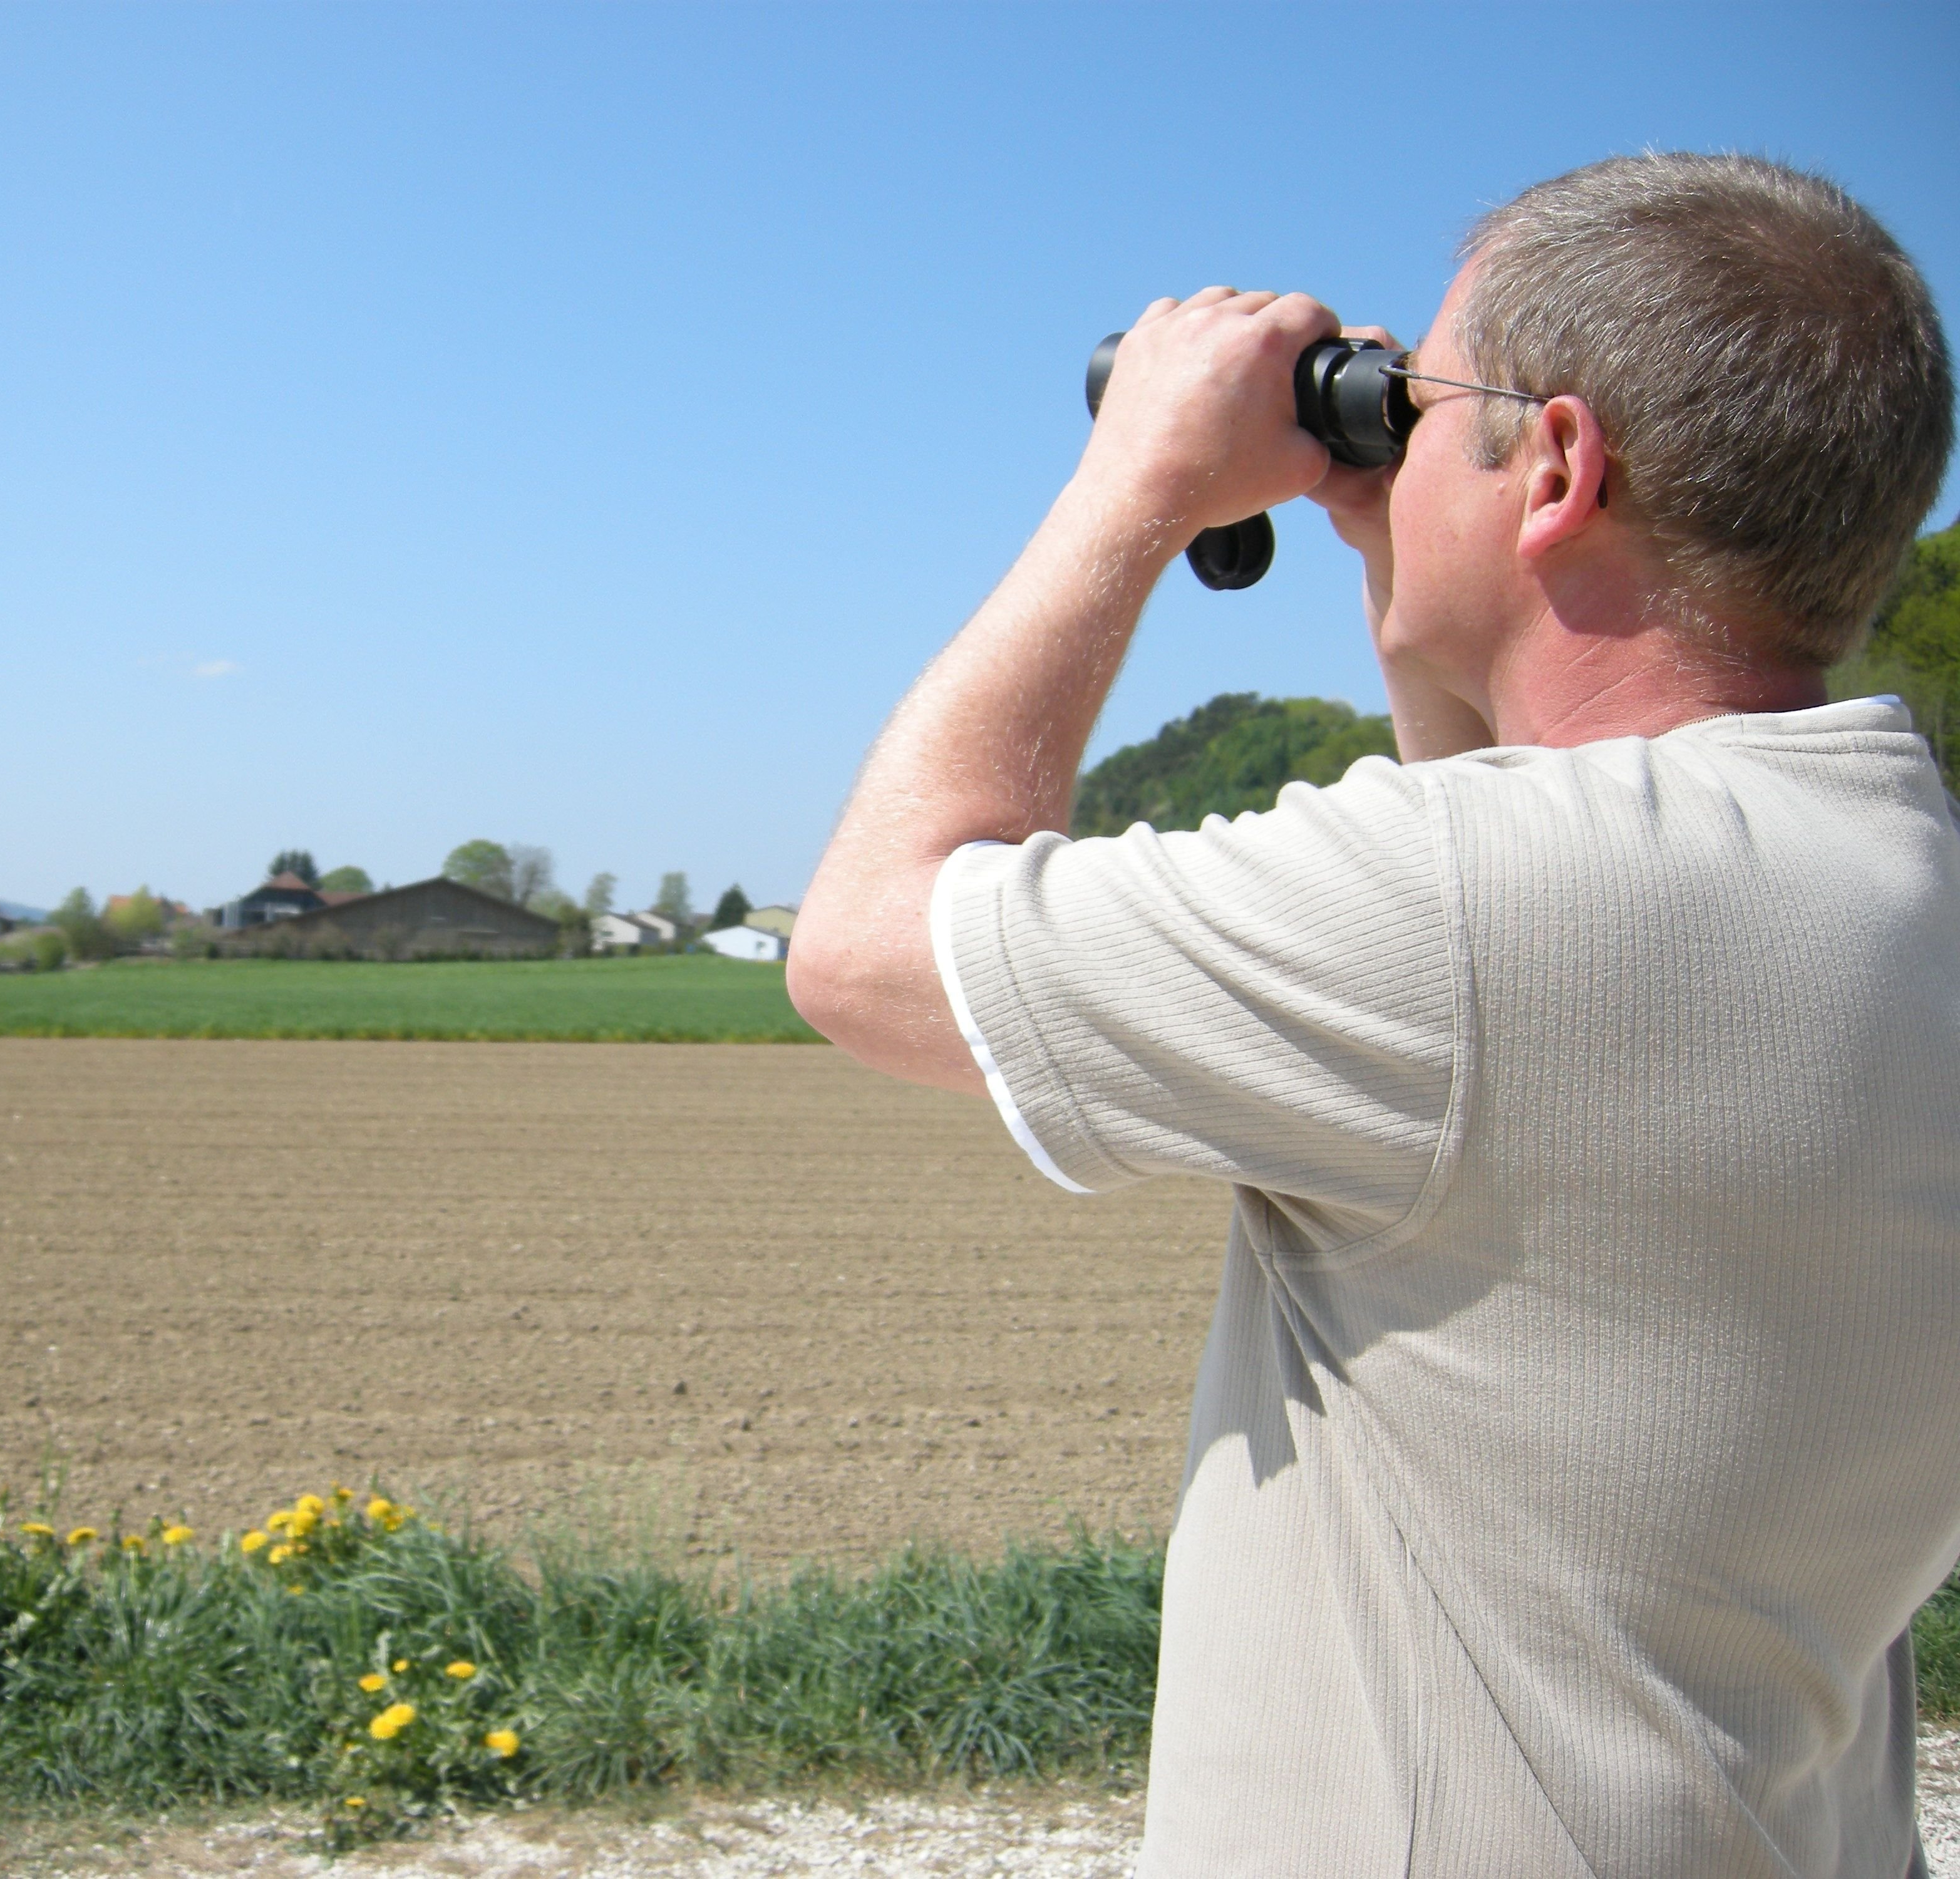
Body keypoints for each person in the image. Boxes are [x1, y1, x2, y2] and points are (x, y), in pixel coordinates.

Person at [788, 153, 1957, 1875]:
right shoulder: (1897, 873)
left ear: (1557, 467)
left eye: (1431, 403)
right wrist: (1411, 567)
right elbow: (1512, 916)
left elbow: (867, 949)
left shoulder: (1479, 915)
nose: (1396, 437)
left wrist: (1136, 484)